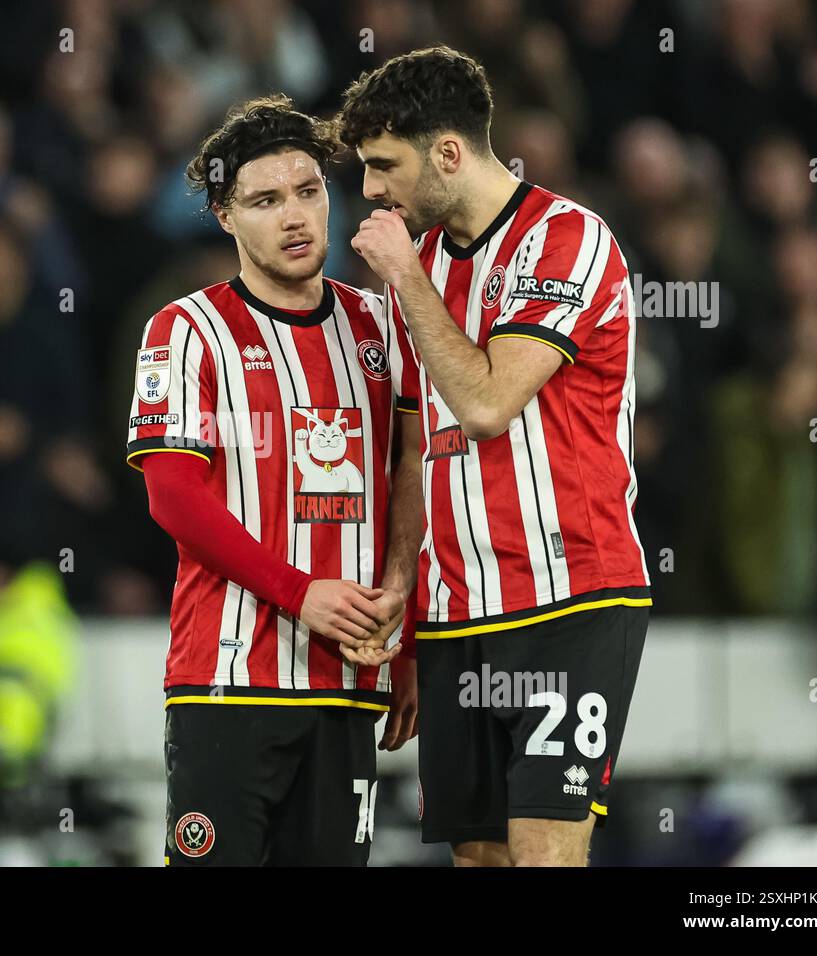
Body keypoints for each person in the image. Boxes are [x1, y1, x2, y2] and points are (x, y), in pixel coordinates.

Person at [338, 46, 651, 867]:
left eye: (383, 166)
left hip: (570, 599)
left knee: (543, 854)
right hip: (455, 615)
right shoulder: (427, 263)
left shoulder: (568, 240)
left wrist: (405, 280)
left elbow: (483, 404)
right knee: (479, 860)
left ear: (448, 153)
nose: (371, 191)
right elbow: (414, 447)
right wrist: (405, 602)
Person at [124, 95, 424, 866]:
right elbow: (172, 496)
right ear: (226, 216)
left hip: (347, 687)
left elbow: (413, 470)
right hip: (227, 685)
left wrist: (411, 637)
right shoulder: (186, 330)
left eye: (308, 191)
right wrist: (301, 592)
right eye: (265, 201)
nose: (294, 217)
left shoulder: (381, 325)